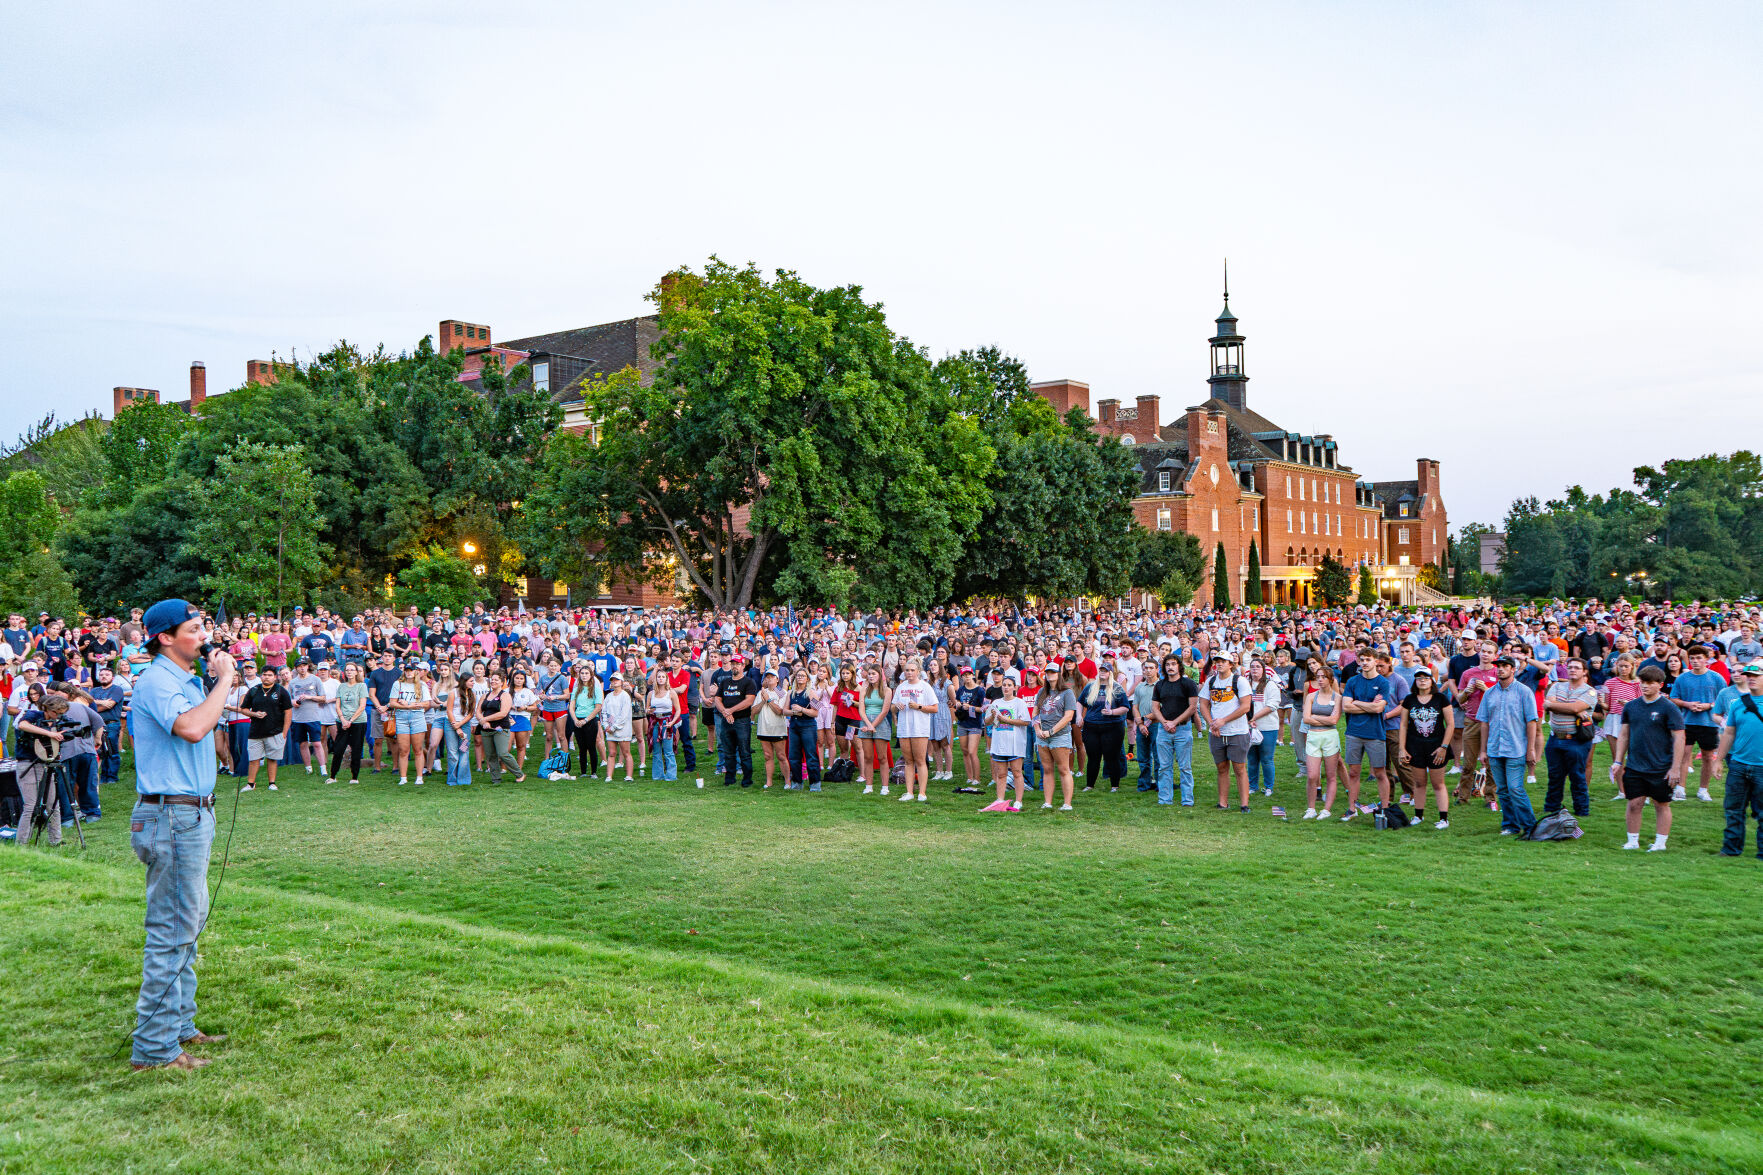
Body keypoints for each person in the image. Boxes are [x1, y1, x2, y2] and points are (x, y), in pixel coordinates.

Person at [127, 598, 237, 1072]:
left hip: (190, 814)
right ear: (165, 637)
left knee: (186, 925)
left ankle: (179, 1025)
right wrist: (227, 680)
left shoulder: (184, 679)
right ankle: (154, 1050)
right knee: (172, 931)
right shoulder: (156, 679)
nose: (204, 635)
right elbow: (192, 727)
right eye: (194, 628)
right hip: (172, 816)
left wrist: (213, 686)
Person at [1615, 665, 1685, 851]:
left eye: (1650, 683)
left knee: (1661, 804)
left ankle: (1660, 843)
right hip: (1635, 765)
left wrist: (1675, 768)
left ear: (1660, 685)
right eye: (1642, 682)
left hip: (1661, 766)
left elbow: (1679, 737)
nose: (1645, 686)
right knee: (1634, 803)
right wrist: (1618, 761)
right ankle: (1632, 841)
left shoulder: (1669, 708)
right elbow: (1623, 735)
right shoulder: (1631, 706)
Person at [1477, 655, 1541, 836]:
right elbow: (1484, 722)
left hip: (1516, 748)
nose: (1500, 669)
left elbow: (1531, 722)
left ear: (1513, 669)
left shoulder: (1524, 692)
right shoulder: (1489, 693)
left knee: (1515, 788)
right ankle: (1510, 825)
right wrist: (1483, 750)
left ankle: (1530, 826)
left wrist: (1530, 750)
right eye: (1498, 666)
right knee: (1503, 791)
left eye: (1505, 666)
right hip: (1495, 748)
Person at [1541, 658, 1599, 818]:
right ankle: (1551, 808)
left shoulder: (1590, 691)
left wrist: (1557, 706)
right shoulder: (1556, 686)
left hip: (1576, 740)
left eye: (1577, 668)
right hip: (1554, 739)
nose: (1572, 670)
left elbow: (1574, 706)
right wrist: (1571, 708)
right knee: (1554, 776)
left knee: (1577, 776)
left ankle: (1581, 811)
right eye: (1570, 667)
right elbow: (1548, 704)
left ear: (1584, 671)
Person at [1716, 662, 1763, 858]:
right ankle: (1731, 849)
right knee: (1733, 810)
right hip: (1738, 765)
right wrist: (1718, 760)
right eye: (1748, 675)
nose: (1750, 678)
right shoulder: (1738, 703)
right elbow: (1728, 733)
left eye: (1756, 675)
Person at [1339, 652, 1393, 821]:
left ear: (1375, 661)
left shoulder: (1383, 682)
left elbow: (1379, 709)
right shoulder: (1353, 681)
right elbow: (1346, 707)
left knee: (1380, 772)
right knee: (1354, 772)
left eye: (1368, 660)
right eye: (1362, 660)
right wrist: (1370, 705)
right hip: (1354, 732)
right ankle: (1351, 808)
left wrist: (1357, 702)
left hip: (1375, 733)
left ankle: (1384, 808)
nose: (1364, 663)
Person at [1397, 667, 1453, 828]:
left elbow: (1450, 725)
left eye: (1426, 677)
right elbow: (1403, 725)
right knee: (1419, 783)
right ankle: (1418, 815)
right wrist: (1402, 748)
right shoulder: (1409, 699)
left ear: (1432, 680)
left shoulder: (1440, 699)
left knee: (1438, 783)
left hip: (1436, 745)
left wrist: (1444, 746)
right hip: (1415, 745)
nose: (1422, 680)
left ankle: (1443, 818)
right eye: (1419, 677)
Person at [13, 689, 70, 847]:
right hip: (27, 763)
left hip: (47, 763)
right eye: (57, 713)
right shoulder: (33, 715)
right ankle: (21, 842)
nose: (58, 716)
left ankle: (56, 840)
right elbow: (22, 724)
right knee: (30, 804)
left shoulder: (60, 721)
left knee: (53, 804)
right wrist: (49, 733)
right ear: (48, 709)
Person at [1199, 654, 1253, 813]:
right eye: (1217, 662)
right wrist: (1211, 723)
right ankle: (1223, 802)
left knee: (1239, 768)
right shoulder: (1211, 681)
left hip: (1237, 731)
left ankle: (1244, 804)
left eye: (1223, 661)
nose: (1219, 664)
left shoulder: (1240, 681)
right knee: (1221, 767)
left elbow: (1245, 707)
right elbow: (1203, 704)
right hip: (1216, 732)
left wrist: (1224, 720)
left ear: (1231, 664)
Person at [1669, 645, 1722, 802]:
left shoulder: (1716, 678)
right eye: (1692, 658)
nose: (1696, 661)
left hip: (1709, 723)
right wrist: (1687, 704)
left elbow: (1722, 700)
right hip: (1686, 722)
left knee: (1707, 757)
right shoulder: (1682, 678)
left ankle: (1703, 790)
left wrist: (1709, 706)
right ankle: (1680, 789)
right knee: (1684, 755)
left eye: (1699, 658)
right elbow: (1674, 698)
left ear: (1706, 659)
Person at [1151, 654, 1199, 806]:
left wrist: (1174, 723)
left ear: (1179, 666)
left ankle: (1187, 799)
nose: (1170, 667)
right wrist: (1165, 723)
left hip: (1182, 729)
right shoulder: (1160, 685)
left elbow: (1192, 707)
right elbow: (1155, 707)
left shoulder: (1188, 684)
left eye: (1173, 664)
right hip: (1163, 729)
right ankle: (1165, 799)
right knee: (1164, 766)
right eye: (1167, 664)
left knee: (1185, 767)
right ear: (1164, 667)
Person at [979, 676, 1031, 812]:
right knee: (1001, 773)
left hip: (1015, 742)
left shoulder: (1019, 703)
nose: (1006, 687)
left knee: (1017, 772)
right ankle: (1000, 799)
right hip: (999, 742)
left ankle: (1018, 800)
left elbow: (1025, 721)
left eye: (1009, 685)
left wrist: (1007, 720)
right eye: (1004, 685)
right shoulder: (996, 702)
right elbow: (988, 722)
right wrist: (993, 716)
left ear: (1014, 687)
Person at [240, 660, 293, 792]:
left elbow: (288, 712)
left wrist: (285, 731)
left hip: (275, 731)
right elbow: (243, 709)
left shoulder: (281, 691)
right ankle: (251, 784)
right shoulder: (254, 690)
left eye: (270, 675)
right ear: (261, 676)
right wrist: (254, 714)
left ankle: (272, 783)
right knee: (253, 759)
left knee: (272, 758)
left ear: (275, 677)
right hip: (256, 731)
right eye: (264, 674)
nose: (266, 677)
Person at [891, 658, 939, 802]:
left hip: (919, 727)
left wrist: (919, 706)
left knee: (920, 760)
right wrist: (897, 706)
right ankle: (909, 792)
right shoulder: (901, 687)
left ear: (918, 671)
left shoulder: (924, 686)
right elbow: (892, 707)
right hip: (904, 728)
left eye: (912, 670)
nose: (909, 673)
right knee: (908, 761)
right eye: (907, 670)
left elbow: (934, 708)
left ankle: (922, 792)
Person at [1301, 661, 1344, 820]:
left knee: (1331, 774)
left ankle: (1327, 809)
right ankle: (1311, 808)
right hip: (1313, 736)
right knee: (1312, 775)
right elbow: (1306, 718)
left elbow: (1334, 720)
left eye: (1323, 677)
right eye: (1318, 677)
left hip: (1330, 737)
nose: (1320, 680)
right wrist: (1323, 718)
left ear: (1331, 680)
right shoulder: (1312, 696)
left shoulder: (1338, 697)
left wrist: (1315, 717)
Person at [1078, 662, 1130, 793]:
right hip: (1092, 726)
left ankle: (1114, 785)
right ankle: (1090, 785)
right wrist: (1079, 716)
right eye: (1101, 670)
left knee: (1112, 756)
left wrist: (1112, 712)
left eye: (1105, 671)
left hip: (1112, 726)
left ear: (1110, 673)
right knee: (1093, 757)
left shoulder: (1117, 688)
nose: (1102, 672)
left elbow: (1125, 707)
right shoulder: (1090, 687)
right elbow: (1080, 701)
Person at [1033, 665, 1079, 810]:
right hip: (1042, 736)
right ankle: (1047, 802)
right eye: (1047, 672)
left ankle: (1067, 803)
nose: (1050, 674)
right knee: (1046, 769)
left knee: (1063, 769)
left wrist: (1051, 731)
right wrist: (1037, 729)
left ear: (1059, 674)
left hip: (1059, 735)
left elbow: (1069, 716)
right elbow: (1035, 713)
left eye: (1053, 672)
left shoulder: (1067, 693)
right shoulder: (1042, 691)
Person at [477, 672, 525, 784]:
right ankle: (496, 779)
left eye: (496, 680)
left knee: (503, 753)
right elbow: (478, 711)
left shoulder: (505, 695)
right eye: (492, 680)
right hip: (486, 729)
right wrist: (482, 720)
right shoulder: (485, 695)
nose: (493, 682)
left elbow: (503, 713)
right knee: (490, 755)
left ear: (502, 683)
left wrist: (486, 719)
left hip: (500, 728)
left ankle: (519, 774)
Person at [1244, 659, 1282, 799]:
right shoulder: (1245, 683)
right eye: (1252, 667)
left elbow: (1272, 705)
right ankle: (1253, 786)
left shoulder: (1270, 685)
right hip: (1248, 726)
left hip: (1267, 726)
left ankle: (1268, 787)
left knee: (1266, 758)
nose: (1255, 669)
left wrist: (1254, 718)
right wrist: (1249, 720)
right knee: (1252, 758)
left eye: (1258, 667)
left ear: (1263, 669)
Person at [329, 660, 369, 783]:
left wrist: (351, 720)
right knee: (338, 748)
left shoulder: (362, 686)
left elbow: (362, 705)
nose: (349, 672)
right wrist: (342, 719)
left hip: (358, 721)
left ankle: (354, 777)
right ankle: (332, 776)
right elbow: (337, 705)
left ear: (357, 672)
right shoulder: (341, 686)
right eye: (347, 670)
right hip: (342, 721)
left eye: (352, 670)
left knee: (356, 748)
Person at [855, 664, 892, 793]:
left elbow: (884, 711)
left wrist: (873, 725)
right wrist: (868, 725)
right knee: (868, 757)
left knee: (882, 757)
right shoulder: (864, 689)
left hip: (880, 723)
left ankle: (885, 787)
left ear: (880, 675)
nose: (871, 676)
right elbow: (861, 710)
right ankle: (869, 786)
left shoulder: (887, 691)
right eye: (869, 674)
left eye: (873, 674)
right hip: (865, 723)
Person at [286, 660, 327, 778]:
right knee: (302, 743)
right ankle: (308, 768)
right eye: (299, 667)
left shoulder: (315, 679)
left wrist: (310, 697)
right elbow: (289, 699)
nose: (302, 668)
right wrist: (293, 702)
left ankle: (323, 768)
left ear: (307, 666)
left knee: (317, 743)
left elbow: (323, 698)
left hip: (313, 717)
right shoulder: (293, 683)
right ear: (296, 669)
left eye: (304, 666)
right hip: (298, 718)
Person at [784, 666, 820, 791]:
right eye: (798, 675)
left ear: (807, 679)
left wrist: (802, 709)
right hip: (794, 726)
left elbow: (816, 713)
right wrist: (794, 712)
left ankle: (815, 784)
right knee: (793, 756)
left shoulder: (811, 692)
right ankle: (797, 783)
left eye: (803, 676)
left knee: (811, 755)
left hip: (808, 726)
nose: (800, 678)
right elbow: (784, 711)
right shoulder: (790, 692)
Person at [754, 669, 789, 788]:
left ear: (777, 679)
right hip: (764, 728)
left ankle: (787, 781)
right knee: (767, 755)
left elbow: (780, 711)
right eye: (767, 677)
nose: (769, 679)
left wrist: (768, 700)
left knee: (781, 755)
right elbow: (753, 711)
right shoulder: (761, 693)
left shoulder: (782, 693)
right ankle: (769, 781)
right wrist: (763, 701)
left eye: (772, 677)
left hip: (778, 729)